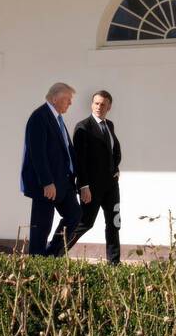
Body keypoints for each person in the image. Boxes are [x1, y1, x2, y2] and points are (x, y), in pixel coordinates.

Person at [21, 82, 82, 257]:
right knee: (41, 228)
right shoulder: (39, 117)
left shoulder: (57, 119)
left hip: (63, 182)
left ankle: (51, 255)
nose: (70, 103)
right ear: (55, 99)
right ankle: (37, 263)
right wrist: (47, 182)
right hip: (47, 186)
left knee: (74, 215)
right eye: (67, 99)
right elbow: (37, 154)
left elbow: (65, 150)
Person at [68, 89, 122, 264]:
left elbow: (113, 150)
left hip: (111, 186)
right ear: (92, 104)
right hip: (91, 187)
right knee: (84, 223)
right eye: (96, 103)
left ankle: (114, 263)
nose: (99, 107)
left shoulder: (110, 125)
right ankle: (55, 251)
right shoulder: (83, 127)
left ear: (109, 107)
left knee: (114, 224)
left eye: (103, 104)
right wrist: (83, 186)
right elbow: (79, 160)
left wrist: (116, 167)